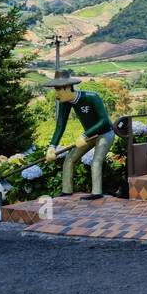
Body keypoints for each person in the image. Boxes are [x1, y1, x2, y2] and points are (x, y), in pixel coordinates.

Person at [41, 71, 115, 200]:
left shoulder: (92, 97)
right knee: (69, 159)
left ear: (68, 87)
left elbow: (104, 121)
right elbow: (60, 125)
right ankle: (66, 190)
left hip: (105, 133)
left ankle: (97, 193)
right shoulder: (65, 103)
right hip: (89, 136)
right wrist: (52, 147)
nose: (56, 94)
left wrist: (85, 135)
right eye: (55, 90)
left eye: (58, 89)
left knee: (96, 162)